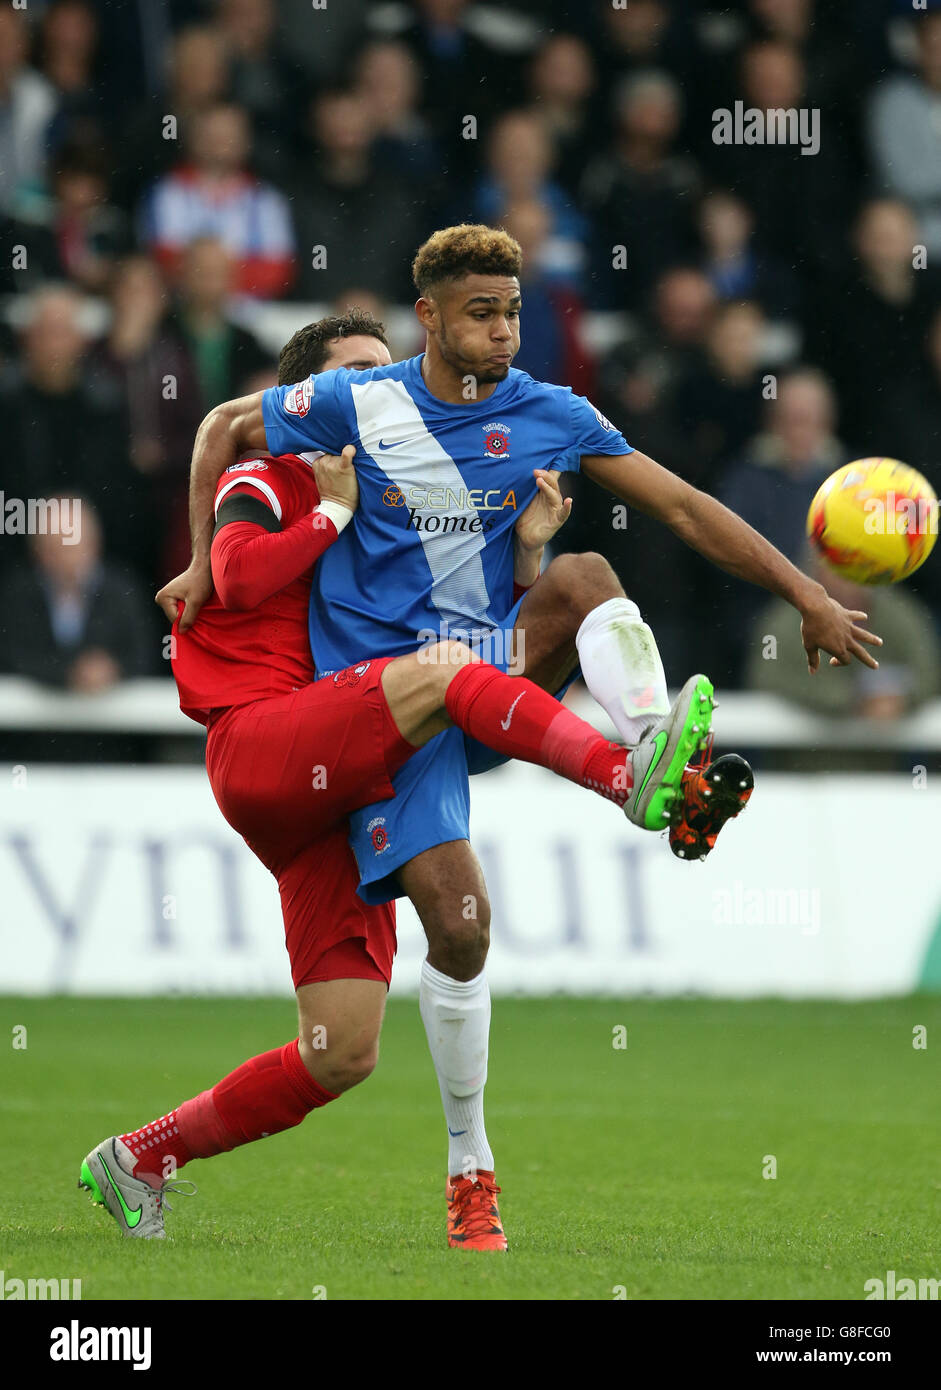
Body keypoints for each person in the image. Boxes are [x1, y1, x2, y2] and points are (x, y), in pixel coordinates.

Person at [157, 225, 880, 1247]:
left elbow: (679, 505)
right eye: (481, 314)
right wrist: (197, 561)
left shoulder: (551, 413)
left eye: (512, 312)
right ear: (431, 318)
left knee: (581, 573)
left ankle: (646, 753)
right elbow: (226, 424)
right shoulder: (358, 401)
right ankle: (470, 1164)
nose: (502, 333)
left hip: (473, 673)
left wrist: (805, 590)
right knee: (458, 926)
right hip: (374, 714)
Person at [80, 310, 722, 1245]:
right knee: (440, 671)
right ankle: (627, 773)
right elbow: (238, 575)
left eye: (388, 375)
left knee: (339, 1050)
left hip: (332, 773)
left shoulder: (388, 501)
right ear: (303, 400)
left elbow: (463, 616)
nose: (382, 395)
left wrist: (527, 552)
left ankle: (138, 1157)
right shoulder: (272, 475)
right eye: (356, 377)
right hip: (263, 742)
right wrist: (328, 510)